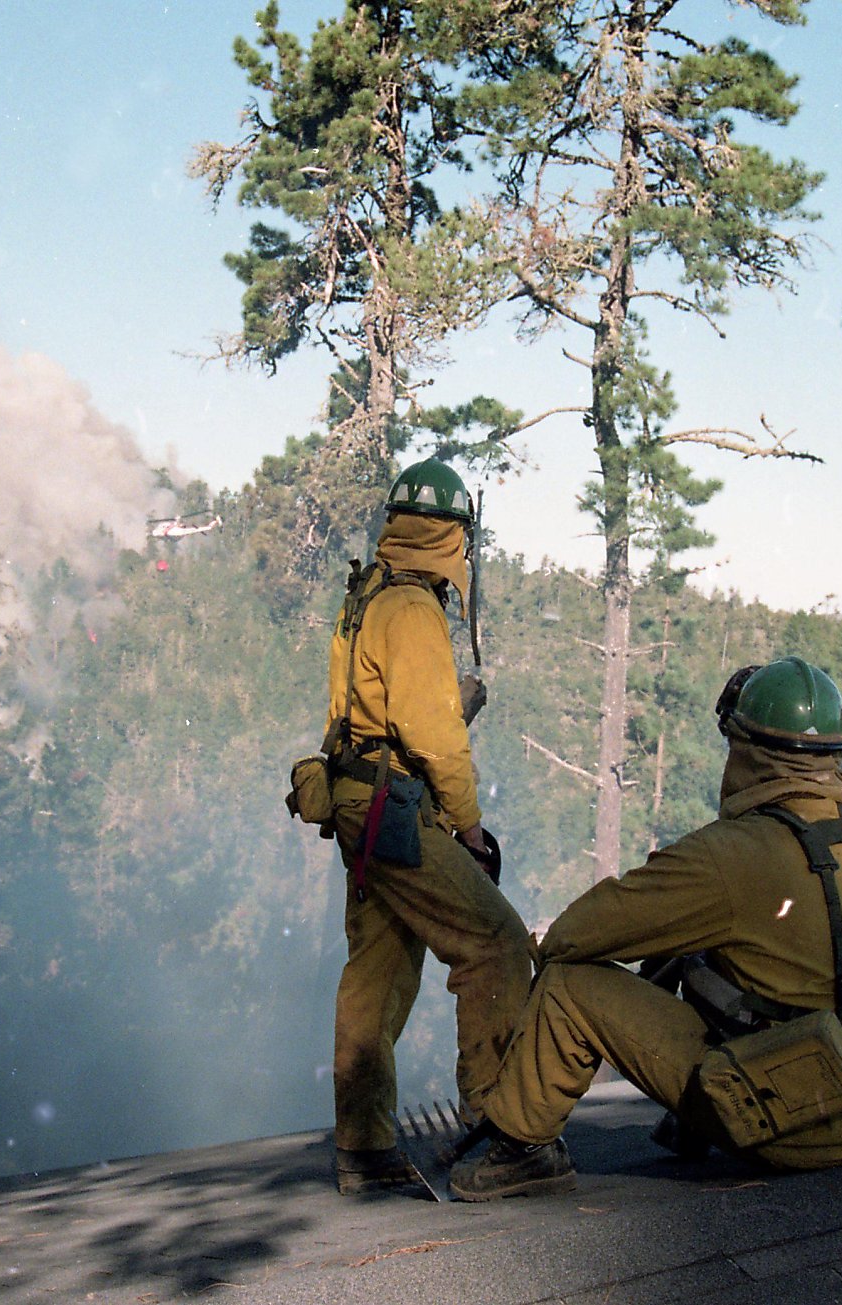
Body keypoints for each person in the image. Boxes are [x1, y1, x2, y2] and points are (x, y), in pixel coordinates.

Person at [450, 657, 842, 1201]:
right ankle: (690, 1123)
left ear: (746, 752)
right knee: (740, 965)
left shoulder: (731, 855)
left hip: (822, 1129)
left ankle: (523, 1151)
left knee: (571, 987)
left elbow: (573, 936)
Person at [317, 459, 532, 1194]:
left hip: (362, 802)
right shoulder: (411, 608)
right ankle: (504, 1133)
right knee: (496, 943)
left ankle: (366, 1150)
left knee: (376, 973)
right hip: (396, 807)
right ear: (452, 534)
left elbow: (372, 713)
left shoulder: (366, 591)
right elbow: (434, 735)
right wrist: (469, 829)